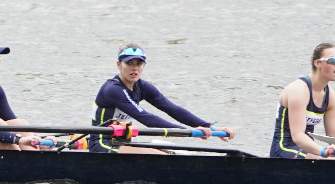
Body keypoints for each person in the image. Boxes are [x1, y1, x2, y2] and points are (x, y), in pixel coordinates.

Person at [89, 44, 232, 154]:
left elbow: (173, 109)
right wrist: (187, 132)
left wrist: (211, 127)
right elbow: (146, 118)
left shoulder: (142, 87)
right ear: (119, 64)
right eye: (129, 63)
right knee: (160, 156)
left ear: (144, 65)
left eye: (139, 63)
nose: (134, 68)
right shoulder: (113, 89)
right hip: (102, 146)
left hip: (122, 144)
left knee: (169, 153)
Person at [271, 43, 335, 159]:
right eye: (332, 60)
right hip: (283, 149)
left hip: (306, 150)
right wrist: (324, 152)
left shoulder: (331, 96)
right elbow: (298, 136)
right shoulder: (299, 90)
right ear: (317, 63)